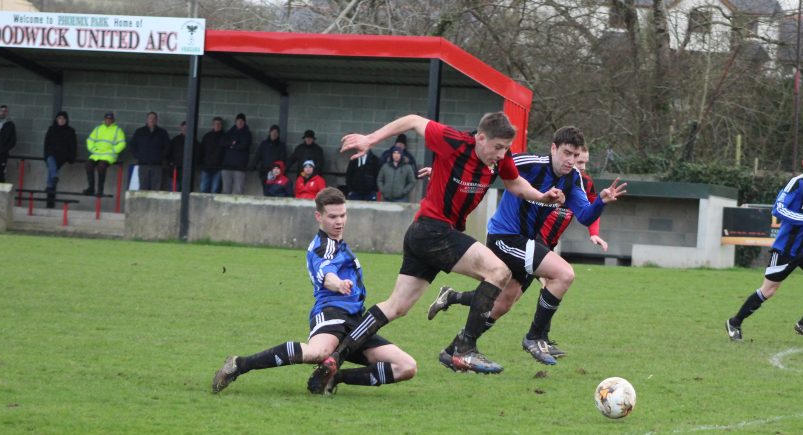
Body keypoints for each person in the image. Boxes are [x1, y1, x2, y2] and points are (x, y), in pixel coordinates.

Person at [306, 111, 565, 393]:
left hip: (426, 235)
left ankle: (334, 362)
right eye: (497, 147)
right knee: (499, 271)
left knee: (396, 306)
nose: (501, 155)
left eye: (505, 148)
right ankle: (464, 347)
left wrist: (541, 197)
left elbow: (515, 184)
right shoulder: (454, 142)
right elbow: (414, 120)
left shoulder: (499, 160)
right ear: (480, 138)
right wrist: (371, 138)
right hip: (433, 231)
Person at [427, 128, 625, 365]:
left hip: (527, 243)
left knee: (501, 304)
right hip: (505, 237)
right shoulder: (528, 163)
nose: (571, 161)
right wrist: (447, 172)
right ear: (553, 148)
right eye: (566, 153)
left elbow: (584, 215)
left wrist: (601, 201)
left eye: (575, 156)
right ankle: (534, 337)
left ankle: (454, 349)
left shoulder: (573, 178)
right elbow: (490, 161)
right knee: (564, 274)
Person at [212, 186, 416, 396]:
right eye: (333, 216)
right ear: (318, 216)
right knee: (319, 352)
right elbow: (326, 272)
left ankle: (336, 377)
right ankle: (240, 364)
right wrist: (337, 284)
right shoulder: (323, 247)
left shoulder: (339, 245)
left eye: (343, 215)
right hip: (332, 313)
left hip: (357, 322)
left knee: (407, 367)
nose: (339, 222)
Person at [725, 145, 803, 344]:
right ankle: (734, 322)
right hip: (786, 248)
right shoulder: (796, 184)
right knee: (768, 290)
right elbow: (777, 210)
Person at [83, 111, 126, 196]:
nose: (108, 120)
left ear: (113, 120)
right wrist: (93, 149)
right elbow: (90, 140)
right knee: (88, 165)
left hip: (108, 155)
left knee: (101, 166)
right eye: (107, 119)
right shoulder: (98, 128)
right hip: (96, 154)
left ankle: (100, 190)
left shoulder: (117, 130)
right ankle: (91, 188)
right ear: (104, 119)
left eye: (110, 119)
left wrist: (113, 150)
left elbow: (122, 143)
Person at [42, 110, 77, 208]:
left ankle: (51, 184)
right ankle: (54, 178)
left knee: (51, 170)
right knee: (51, 164)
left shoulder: (70, 131)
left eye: (63, 119)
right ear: (56, 119)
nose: (61, 120)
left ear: (66, 120)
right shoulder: (51, 129)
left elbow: (73, 146)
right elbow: (46, 143)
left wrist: (72, 157)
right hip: (50, 154)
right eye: (59, 118)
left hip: (62, 156)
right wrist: (45, 155)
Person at [130, 111, 169, 191]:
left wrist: (160, 157)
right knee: (143, 188)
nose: (152, 120)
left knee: (156, 188)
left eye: (154, 118)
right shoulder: (139, 131)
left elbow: (167, 147)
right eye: (150, 118)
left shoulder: (162, 132)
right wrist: (139, 156)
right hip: (143, 165)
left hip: (157, 165)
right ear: (147, 119)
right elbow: (132, 146)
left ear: (156, 120)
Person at [220, 113, 251, 195]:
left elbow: (244, 145)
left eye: (242, 121)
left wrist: (231, 146)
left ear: (244, 122)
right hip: (227, 166)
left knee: (239, 191)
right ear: (235, 122)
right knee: (226, 191)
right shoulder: (230, 132)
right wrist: (233, 143)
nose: (240, 123)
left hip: (240, 167)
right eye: (238, 121)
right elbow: (222, 142)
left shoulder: (247, 134)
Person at [251, 124, 287, 189]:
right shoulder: (264, 144)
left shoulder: (281, 146)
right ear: (270, 132)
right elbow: (258, 156)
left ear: (278, 134)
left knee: (274, 191)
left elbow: (282, 159)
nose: (274, 134)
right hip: (264, 172)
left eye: (276, 132)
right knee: (266, 191)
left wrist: (280, 171)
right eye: (273, 132)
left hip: (276, 173)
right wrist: (253, 165)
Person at [198, 117, 225, 193]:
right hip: (206, 166)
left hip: (218, 167)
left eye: (219, 124)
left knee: (215, 189)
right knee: (203, 188)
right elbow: (201, 150)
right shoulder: (207, 136)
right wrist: (200, 163)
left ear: (222, 125)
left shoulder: (225, 136)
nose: (217, 125)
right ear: (212, 125)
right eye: (215, 124)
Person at [0, 104, 17, 183]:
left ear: (7, 113)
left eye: (5, 111)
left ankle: (1, 195)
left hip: (2, 156)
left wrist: (4, 149)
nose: (3, 113)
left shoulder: (10, 125)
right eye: (1, 111)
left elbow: (13, 141)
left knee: (1, 177)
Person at [165, 121, 190, 191]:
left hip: (187, 170)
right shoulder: (175, 140)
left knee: (185, 190)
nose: (185, 130)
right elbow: (168, 153)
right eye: (184, 128)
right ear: (181, 128)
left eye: (187, 128)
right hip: (174, 170)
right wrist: (171, 163)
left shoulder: (193, 141)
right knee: (174, 189)